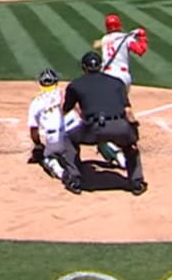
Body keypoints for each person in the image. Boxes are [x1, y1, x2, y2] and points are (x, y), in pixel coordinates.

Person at [60, 51, 146, 195]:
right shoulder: (117, 83)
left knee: (69, 137)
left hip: (93, 129)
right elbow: (129, 113)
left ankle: (74, 179)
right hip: (120, 128)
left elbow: (65, 110)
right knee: (130, 146)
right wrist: (133, 133)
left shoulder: (75, 85)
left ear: (83, 67)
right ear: (101, 66)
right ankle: (137, 182)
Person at [25, 67, 85, 194]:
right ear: (56, 82)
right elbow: (80, 111)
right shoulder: (65, 94)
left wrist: (38, 144)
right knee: (73, 143)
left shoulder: (36, 102)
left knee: (47, 157)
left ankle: (62, 174)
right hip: (73, 134)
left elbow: (33, 129)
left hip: (54, 139)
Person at [92, 14, 148, 94]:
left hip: (107, 75)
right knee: (120, 103)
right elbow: (140, 50)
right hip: (122, 76)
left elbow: (95, 45)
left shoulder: (105, 39)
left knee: (106, 101)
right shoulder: (127, 39)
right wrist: (142, 37)